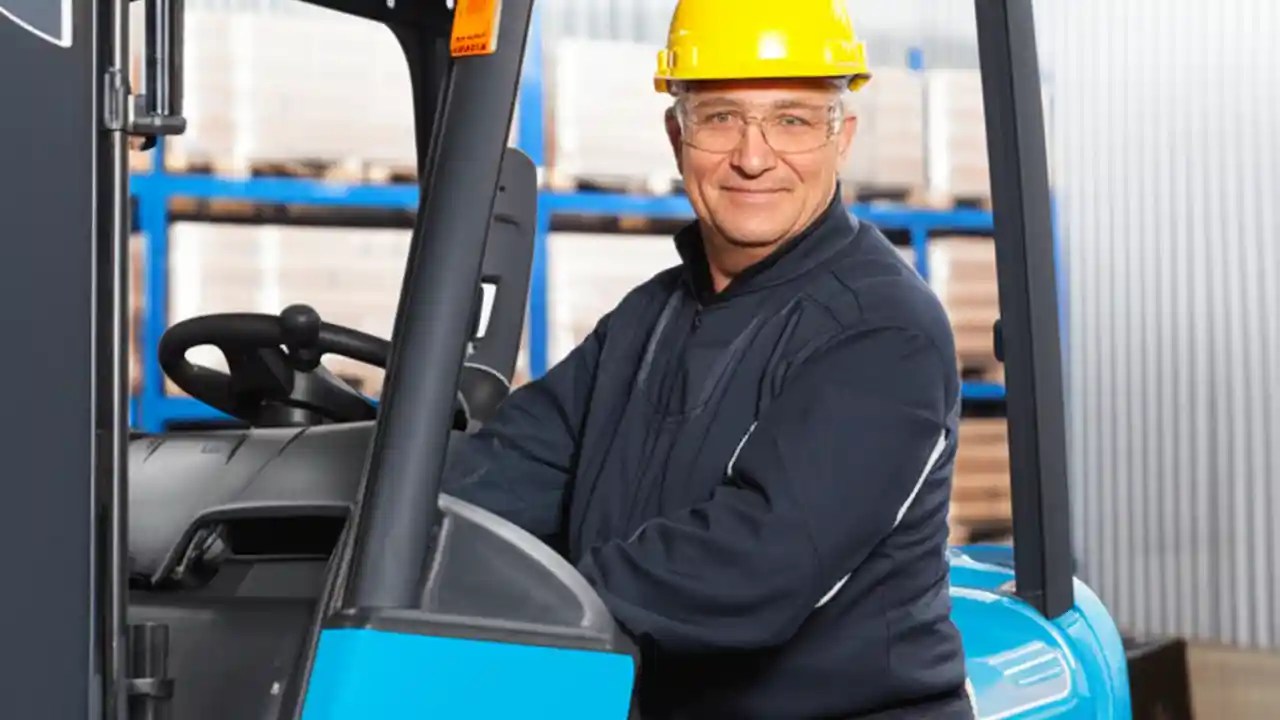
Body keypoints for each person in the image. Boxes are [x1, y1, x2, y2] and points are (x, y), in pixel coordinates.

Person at [443, 1, 973, 717]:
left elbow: (757, 564)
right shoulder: (648, 318)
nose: (753, 158)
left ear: (841, 137)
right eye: (720, 117)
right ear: (676, 134)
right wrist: (373, 525)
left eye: (791, 120)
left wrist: (532, 602)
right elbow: (507, 470)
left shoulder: (882, 332)